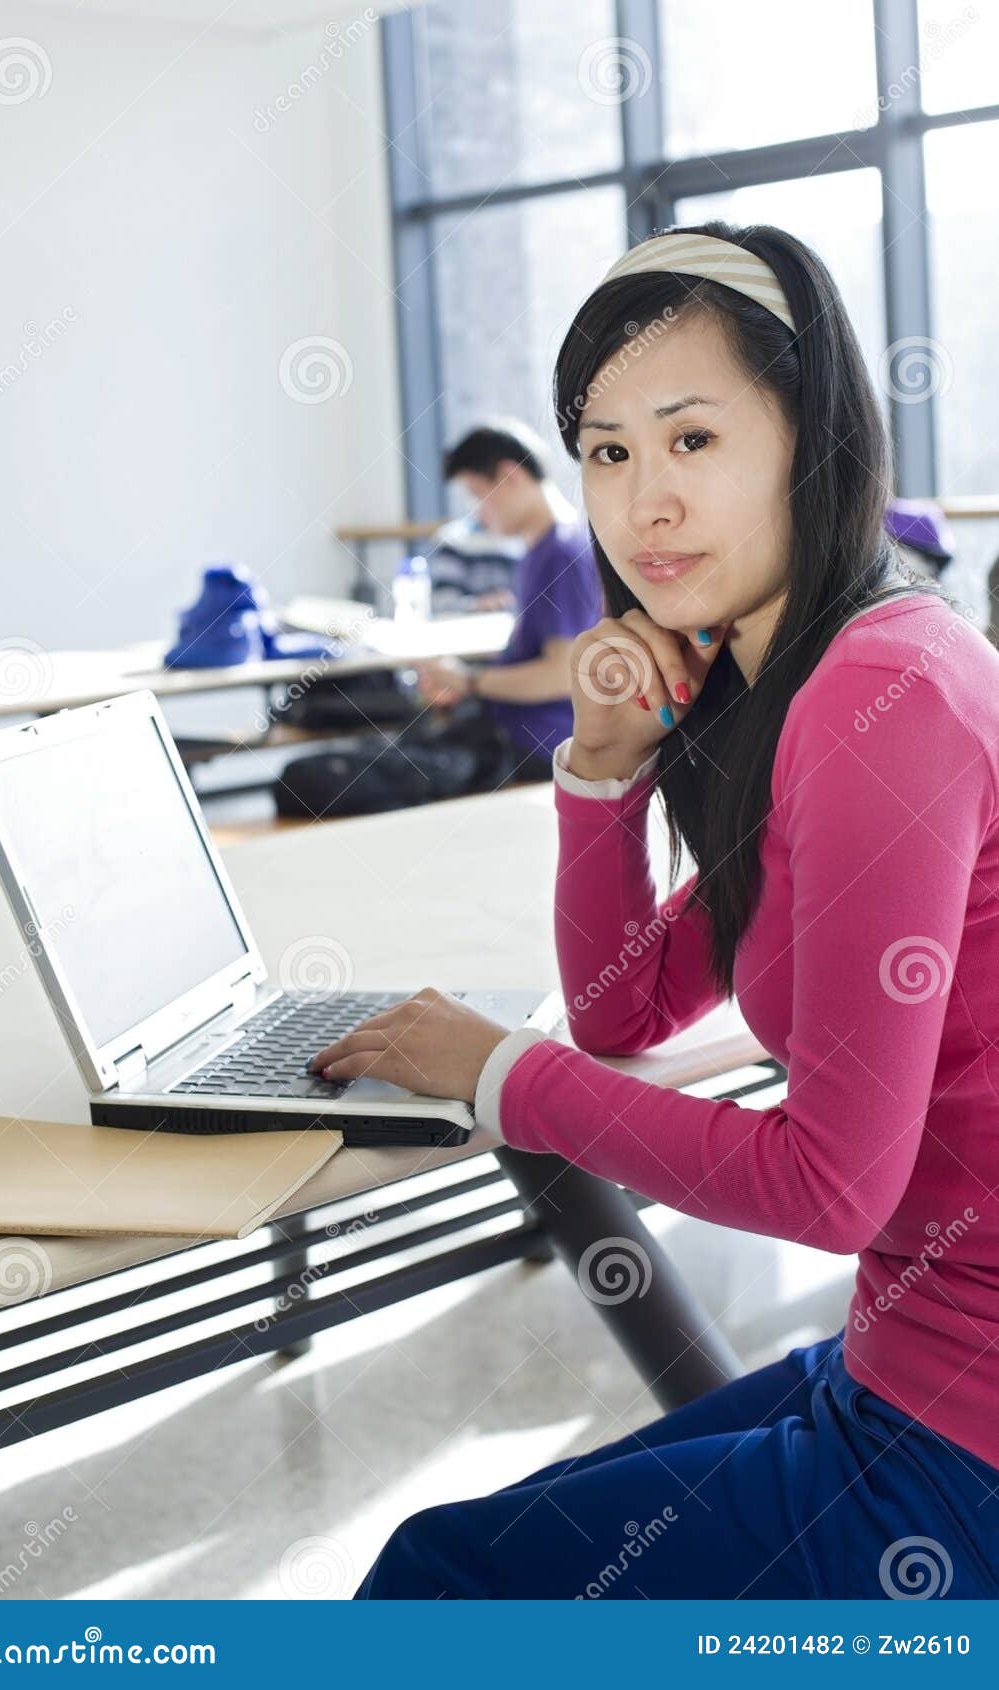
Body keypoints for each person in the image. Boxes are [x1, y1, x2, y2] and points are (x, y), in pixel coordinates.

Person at [307, 222, 999, 1599]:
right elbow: (625, 1004)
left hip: (957, 1439)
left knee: (432, 1585)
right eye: (607, 451)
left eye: (690, 440)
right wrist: (601, 776)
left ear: (809, 438)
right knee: (466, 1557)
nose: (640, 505)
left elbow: (828, 1185)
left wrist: (500, 1074)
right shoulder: (800, 688)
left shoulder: (881, 699)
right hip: (904, 1361)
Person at [413, 419, 604, 780]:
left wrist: (469, 681)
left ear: (510, 476)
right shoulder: (538, 550)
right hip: (513, 730)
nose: (479, 512)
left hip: (535, 741)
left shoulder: (562, 553)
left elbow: (563, 674)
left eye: (477, 494)